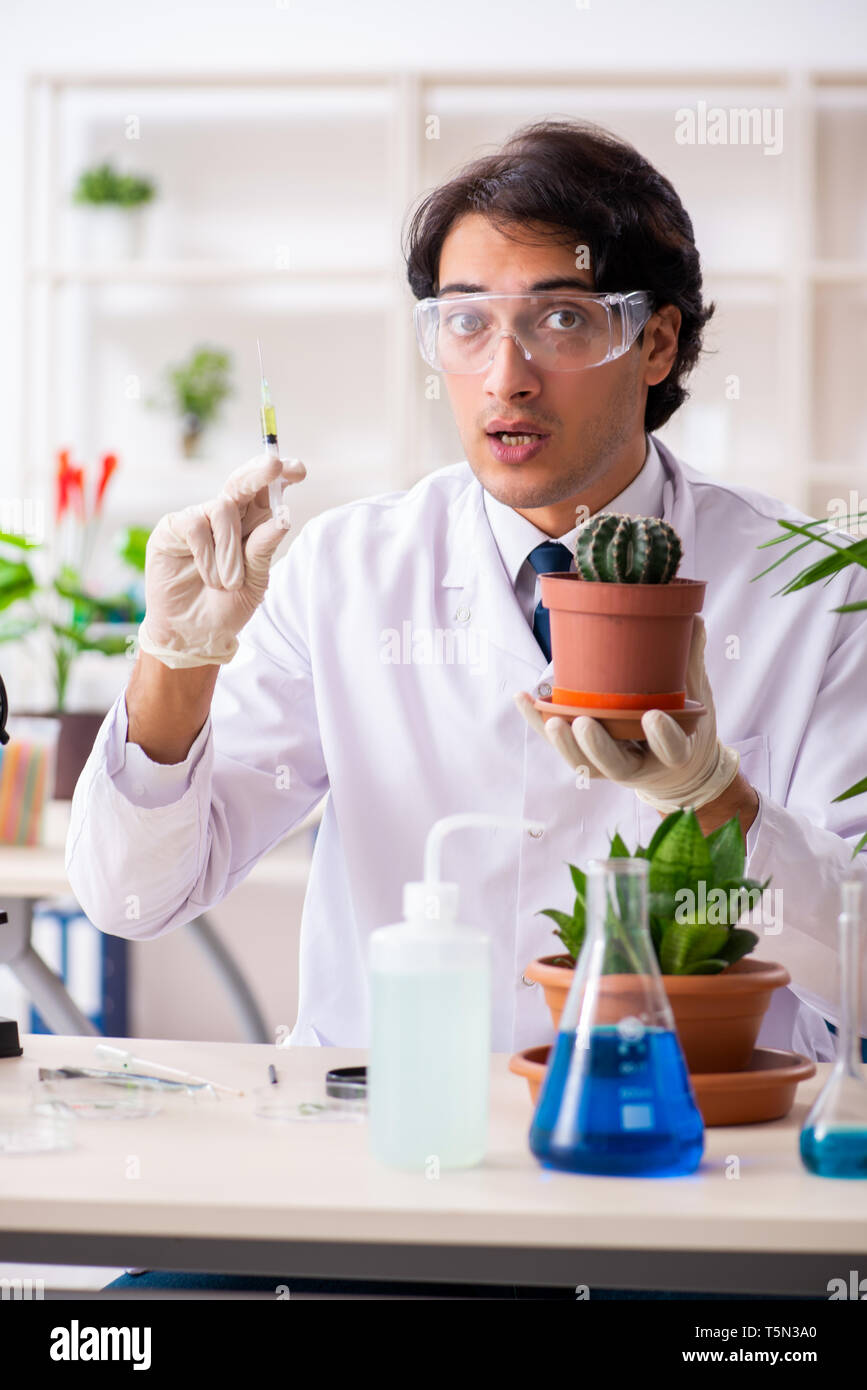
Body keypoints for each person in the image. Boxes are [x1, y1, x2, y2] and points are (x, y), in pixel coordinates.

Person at [66, 118, 866, 1300]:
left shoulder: (811, 588)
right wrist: (178, 658)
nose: (505, 372)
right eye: (466, 320)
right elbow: (133, 898)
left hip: (695, 1182)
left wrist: (721, 801)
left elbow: (858, 970)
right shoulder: (345, 570)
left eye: (560, 317)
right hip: (381, 1172)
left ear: (656, 341)